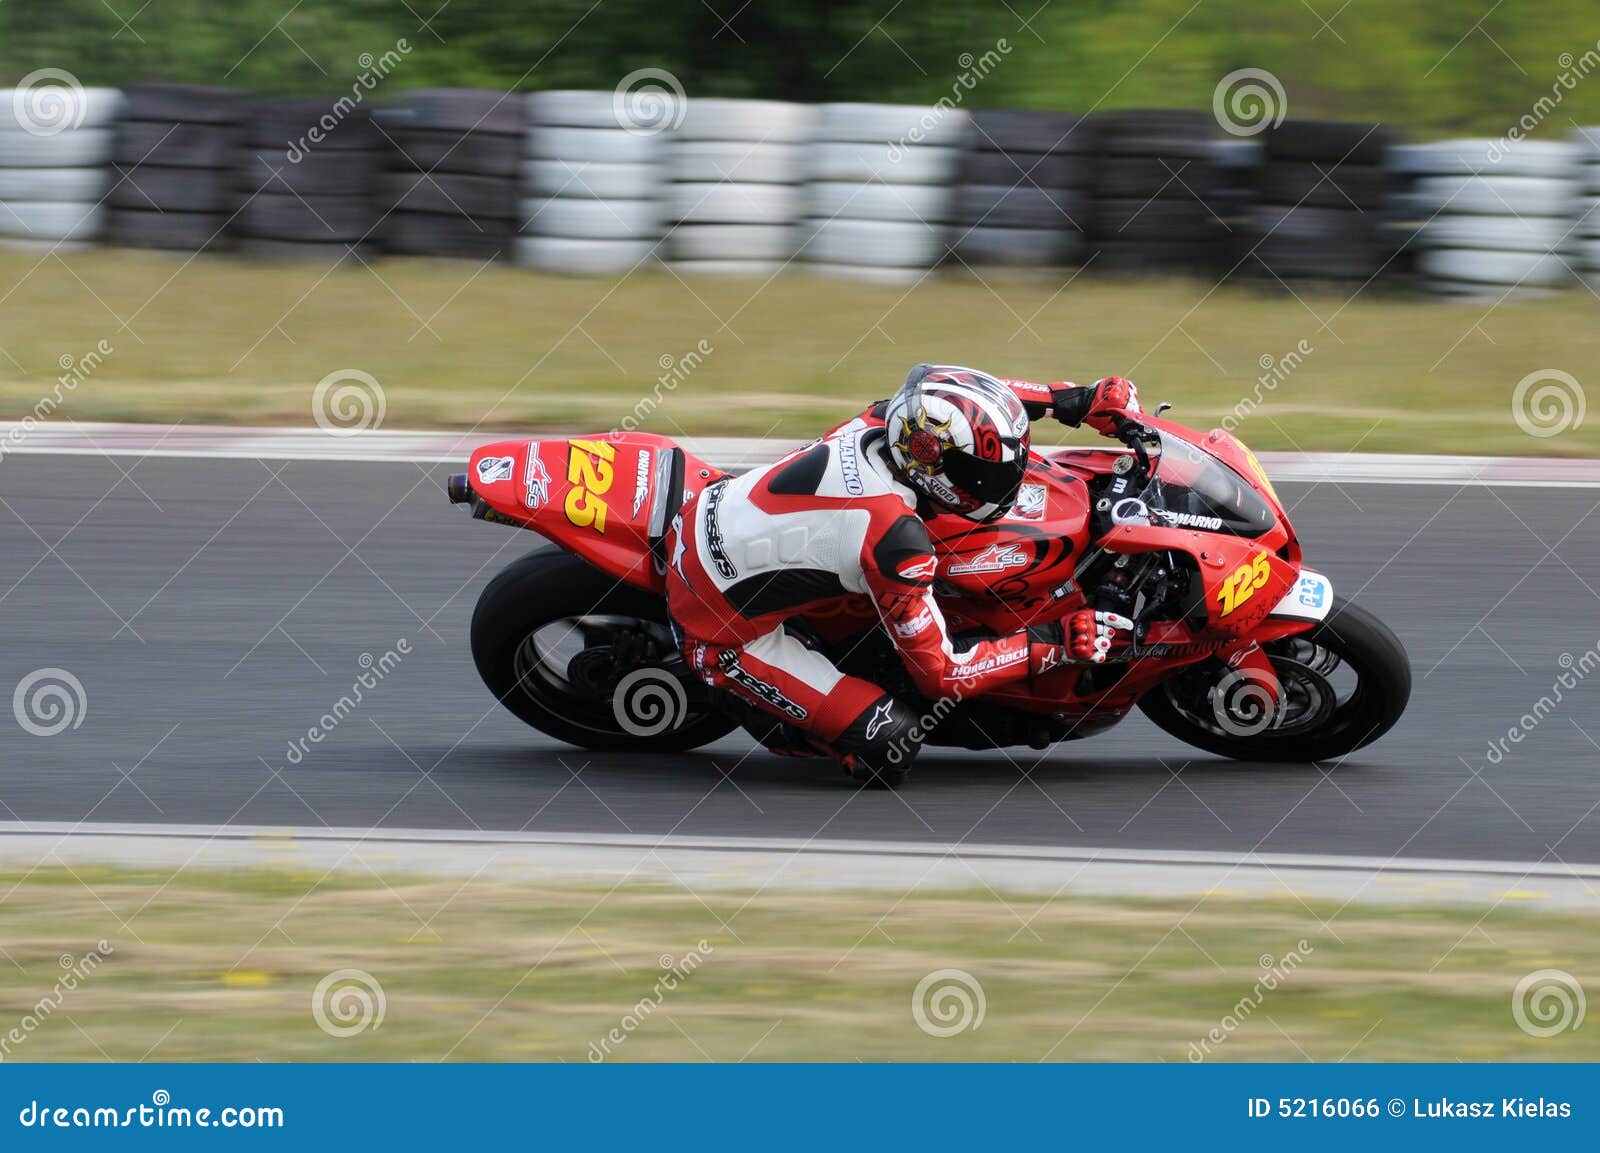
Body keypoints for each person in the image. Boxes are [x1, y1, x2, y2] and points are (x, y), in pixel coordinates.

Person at [663, 364, 1140, 786]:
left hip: (711, 509)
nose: (1005, 481)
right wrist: (1051, 642)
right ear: (936, 469)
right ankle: (757, 705)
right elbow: (943, 675)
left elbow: (962, 390)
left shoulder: (885, 420)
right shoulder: (895, 539)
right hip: (722, 631)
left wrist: (1070, 399)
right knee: (890, 742)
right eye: (985, 474)